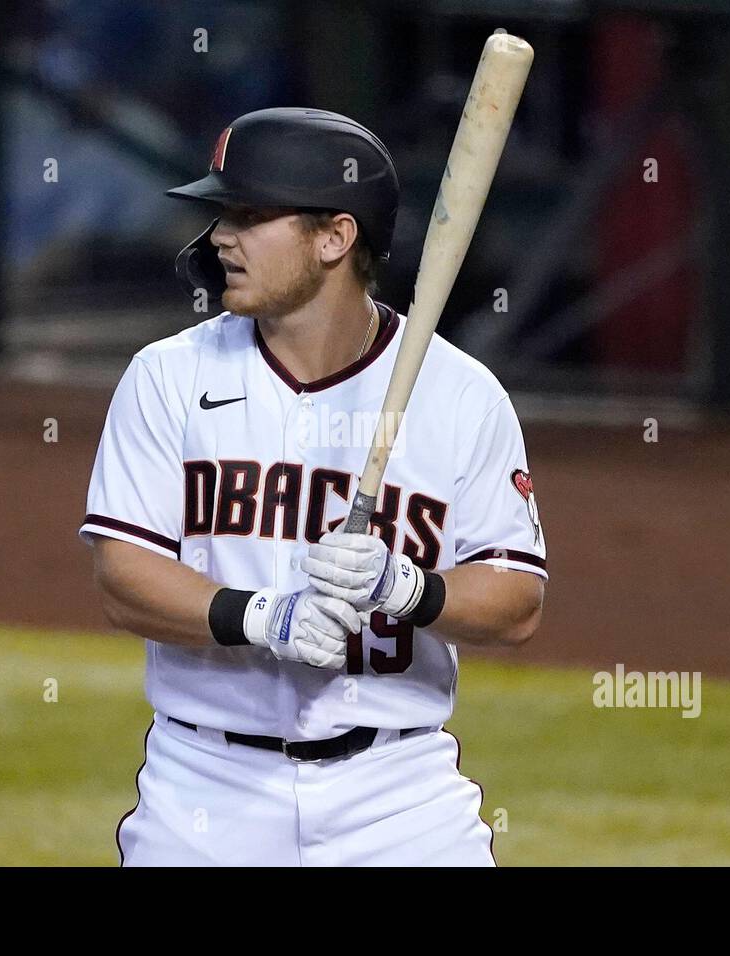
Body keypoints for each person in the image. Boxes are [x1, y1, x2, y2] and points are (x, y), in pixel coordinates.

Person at [81, 107, 547, 866]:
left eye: (250, 214)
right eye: (221, 214)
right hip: (207, 786)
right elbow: (122, 581)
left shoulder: (462, 396)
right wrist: (261, 617)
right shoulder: (168, 377)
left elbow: (516, 603)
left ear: (335, 236)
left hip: (400, 797)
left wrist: (410, 588)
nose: (220, 237)